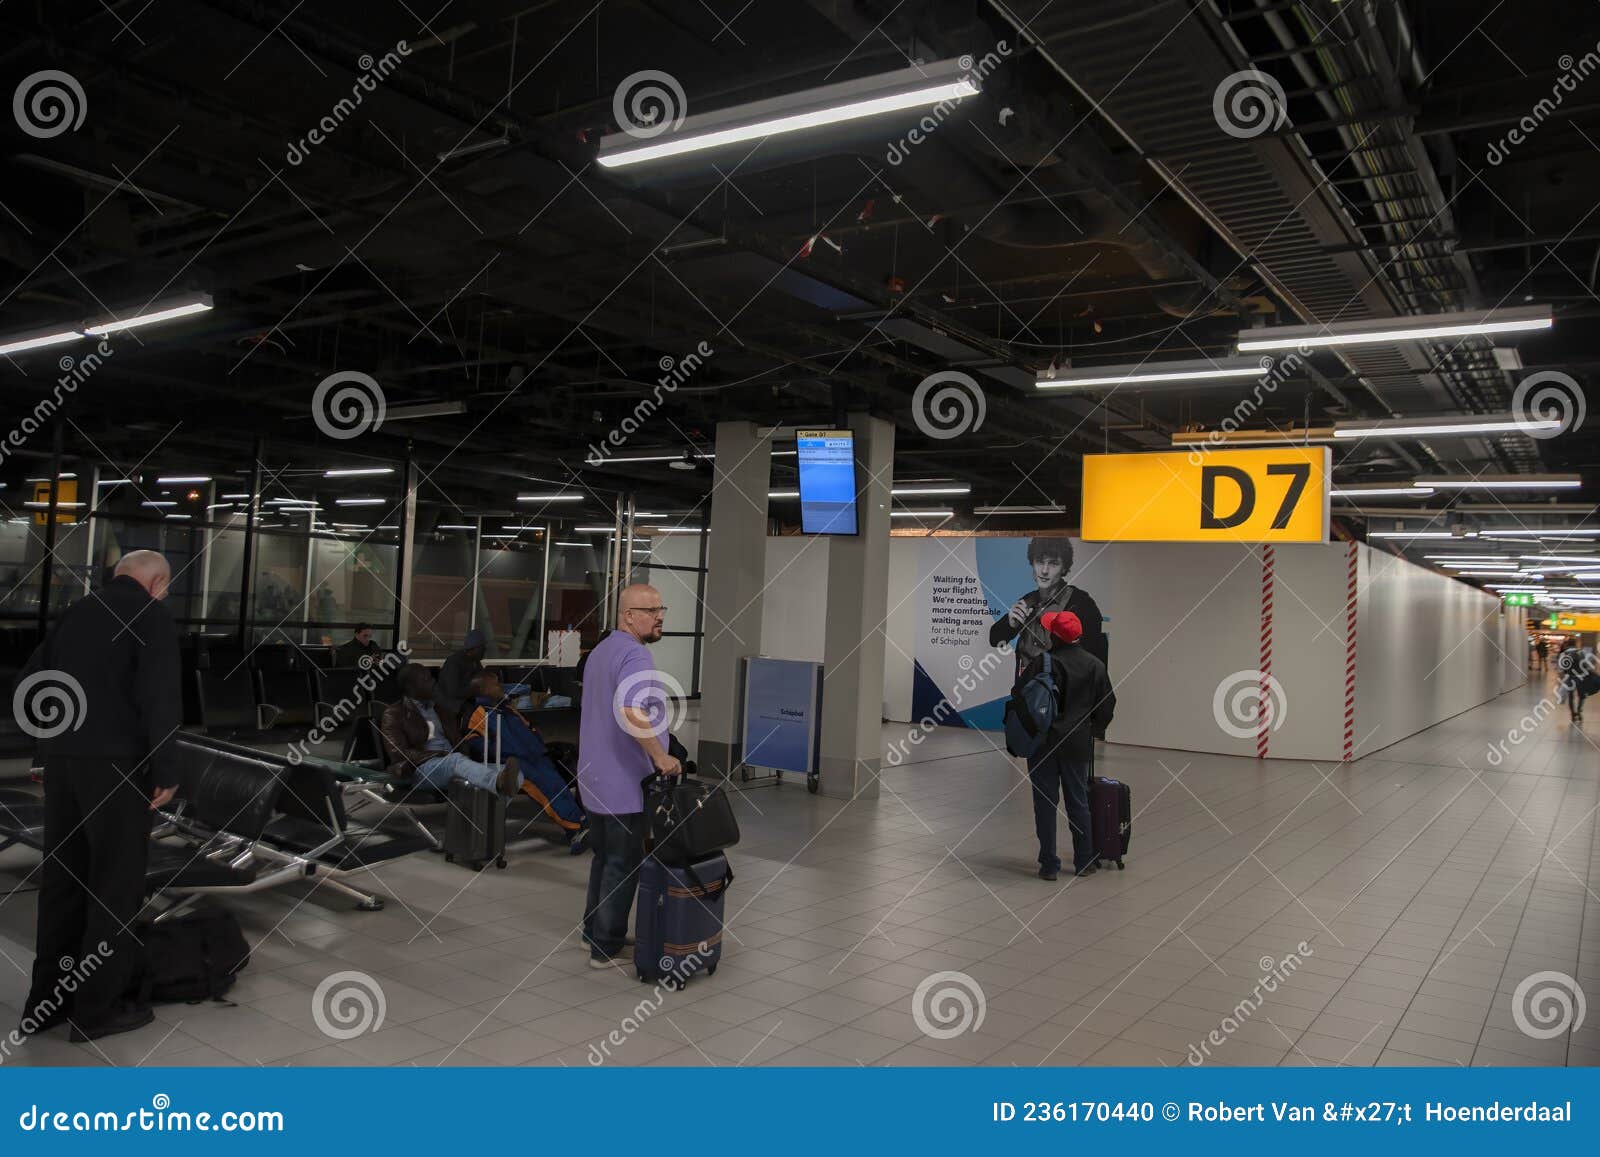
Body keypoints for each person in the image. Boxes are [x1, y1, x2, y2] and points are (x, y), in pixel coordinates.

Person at [15, 550, 180, 1043]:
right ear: (155, 581)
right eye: (166, 585)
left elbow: (33, 684)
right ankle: (96, 1011)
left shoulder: (76, 611)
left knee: (63, 881)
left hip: (65, 766)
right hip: (118, 770)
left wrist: (48, 750)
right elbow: (159, 695)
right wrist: (167, 769)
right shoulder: (151, 615)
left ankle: (45, 1005)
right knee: (114, 886)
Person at [576, 584, 681, 968]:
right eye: (652, 610)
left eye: (661, 607)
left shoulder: (601, 651)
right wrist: (661, 757)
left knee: (604, 858)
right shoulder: (635, 655)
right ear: (628, 616)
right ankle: (606, 946)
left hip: (594, 778)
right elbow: (631, 711)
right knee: (623, 863)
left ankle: (592, 931)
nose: (660, 616)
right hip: (622, 783)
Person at [1025, 610, 1116, 881]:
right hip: (1077, 744)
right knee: (1078, 801)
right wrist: (1093, 729)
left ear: (1055, 635)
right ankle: (1084, 860)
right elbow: (1108, 705)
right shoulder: (1095, 665)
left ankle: (1049, 864)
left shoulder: (1043, 663)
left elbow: (1021, 696)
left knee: (1045, 802)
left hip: (1044, 744)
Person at [463, 671, 587, 844]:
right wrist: (501, 752)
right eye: (495, 684)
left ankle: (581, 822)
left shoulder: (508, 709)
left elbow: (530, 728)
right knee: (545, 787)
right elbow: (474, 742)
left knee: (557, 782)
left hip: (535, 755)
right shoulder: (478, 713)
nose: (500, 687)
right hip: (512, 761)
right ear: (483, 689)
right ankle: (573, 827)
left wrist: (539, 746)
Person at [380, 663, 521, 795]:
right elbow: (399, 753)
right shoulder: (394, 713)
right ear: (410, 687)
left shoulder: (440, 709)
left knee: (516, 775)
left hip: (455, 763)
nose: (432, 681)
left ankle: (489, 813)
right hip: (421, 770)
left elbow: (458, 740)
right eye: (425, 679)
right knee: (456, 761)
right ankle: (497, 783)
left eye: (430, 677)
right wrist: (438, 755)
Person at [990, 537, 1108, 677]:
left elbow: (1098, 665)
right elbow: (995, 640)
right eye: (1040, 562)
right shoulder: (1029, 600)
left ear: (1064, 567)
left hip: (1059, 696)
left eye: (1053, 563)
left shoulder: (1081, 603)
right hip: (1025, 693)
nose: (1044, 571)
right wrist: (1009, 625)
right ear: (1032, 563)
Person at [434, 628, 486, 718]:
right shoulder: (454, 662)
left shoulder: (475, 661)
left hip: (467, 699)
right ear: (474, 648)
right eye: (483, 648)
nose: (485, 650)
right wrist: (473, 689)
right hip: (450, 704)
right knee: (474, 712)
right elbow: (451, 692)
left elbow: (482, 678)